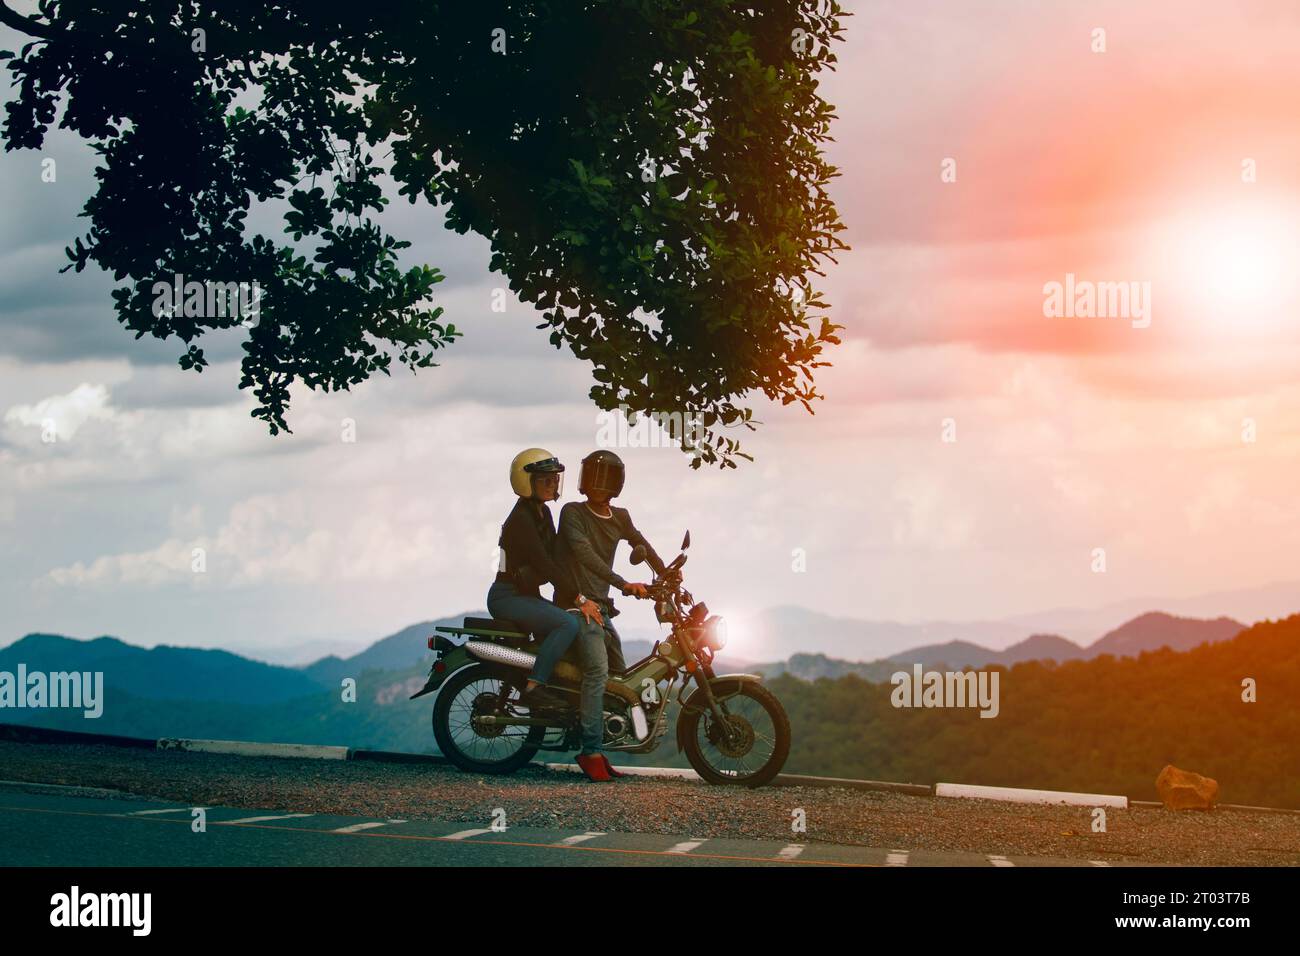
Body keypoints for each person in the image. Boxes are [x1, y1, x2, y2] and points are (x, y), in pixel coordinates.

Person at [555, 449, 664, 781]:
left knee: (619, 676)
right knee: (598, 673)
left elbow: (641, 543)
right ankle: (590, 752)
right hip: (575, 606)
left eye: (606, 479)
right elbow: (585, 555)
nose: (599, 485)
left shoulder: (621, 517)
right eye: (594, 478)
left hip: (601, 607)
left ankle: (600, 743)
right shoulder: (572, 513)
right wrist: (622, 583)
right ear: (585, 482)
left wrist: (666, 575)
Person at [488, 448, 602, 710]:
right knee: (567, 625)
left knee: (571, 621)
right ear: (526, 482)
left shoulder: (542, 513)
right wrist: (580, 598)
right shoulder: (521, 520)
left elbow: (557, 555)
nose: (552, 485)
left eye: (554, 480)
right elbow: (546, 564)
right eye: (545, 480)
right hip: (507, 596)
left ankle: (560, 691)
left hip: (525, 595)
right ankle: (534, 687)